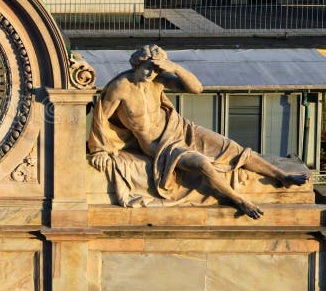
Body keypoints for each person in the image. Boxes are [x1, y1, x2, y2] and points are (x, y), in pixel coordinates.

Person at [88, 45, 308, 219]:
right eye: (148, 67)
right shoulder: (120, 87)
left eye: (156, 68)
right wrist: (100, 149)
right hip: (162, 147)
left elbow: (196, 88)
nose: (151, 72)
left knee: (233, 149)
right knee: (202, 164)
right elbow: (100, 117)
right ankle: (240, 200)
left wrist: (174, 68)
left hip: (180, 128)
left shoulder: (159, 79)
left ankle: (282, 176)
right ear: (137, 63)